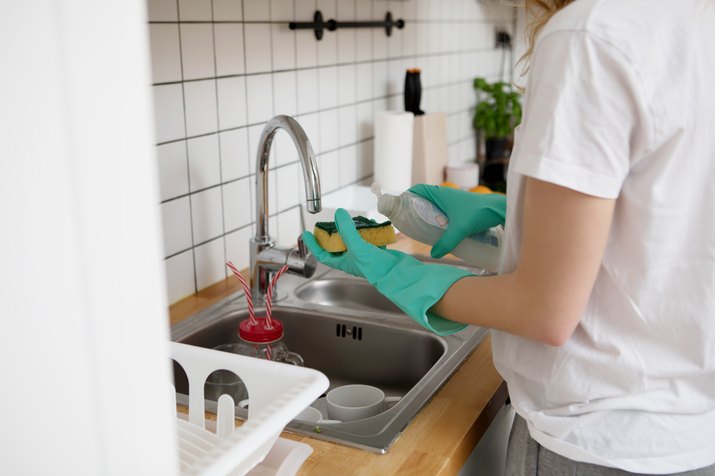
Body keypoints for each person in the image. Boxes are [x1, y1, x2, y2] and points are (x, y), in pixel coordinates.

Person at [303, 0, 715, 473]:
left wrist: (403, 276)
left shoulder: (589, 35)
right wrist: (523, 214)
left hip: (594, 442)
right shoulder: (695, 19)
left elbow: (543, 311)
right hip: (694, 434)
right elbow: (670, 218)